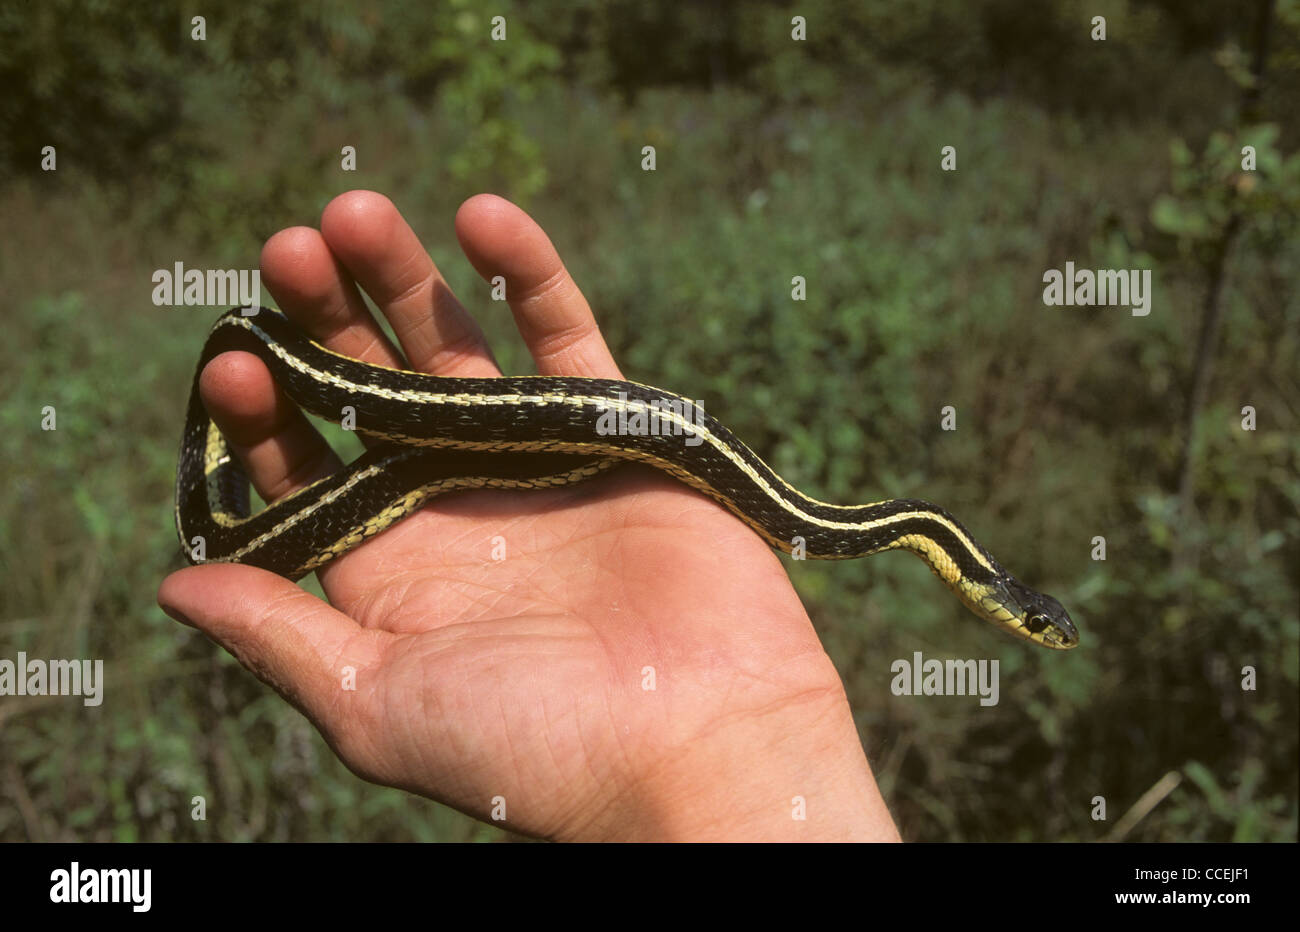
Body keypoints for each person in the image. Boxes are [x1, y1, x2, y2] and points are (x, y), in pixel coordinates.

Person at [157, 190, 900, 842]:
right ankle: (247, 337)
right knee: (243, 373)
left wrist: (707, 773)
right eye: (1028, 621)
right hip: (279, 378)